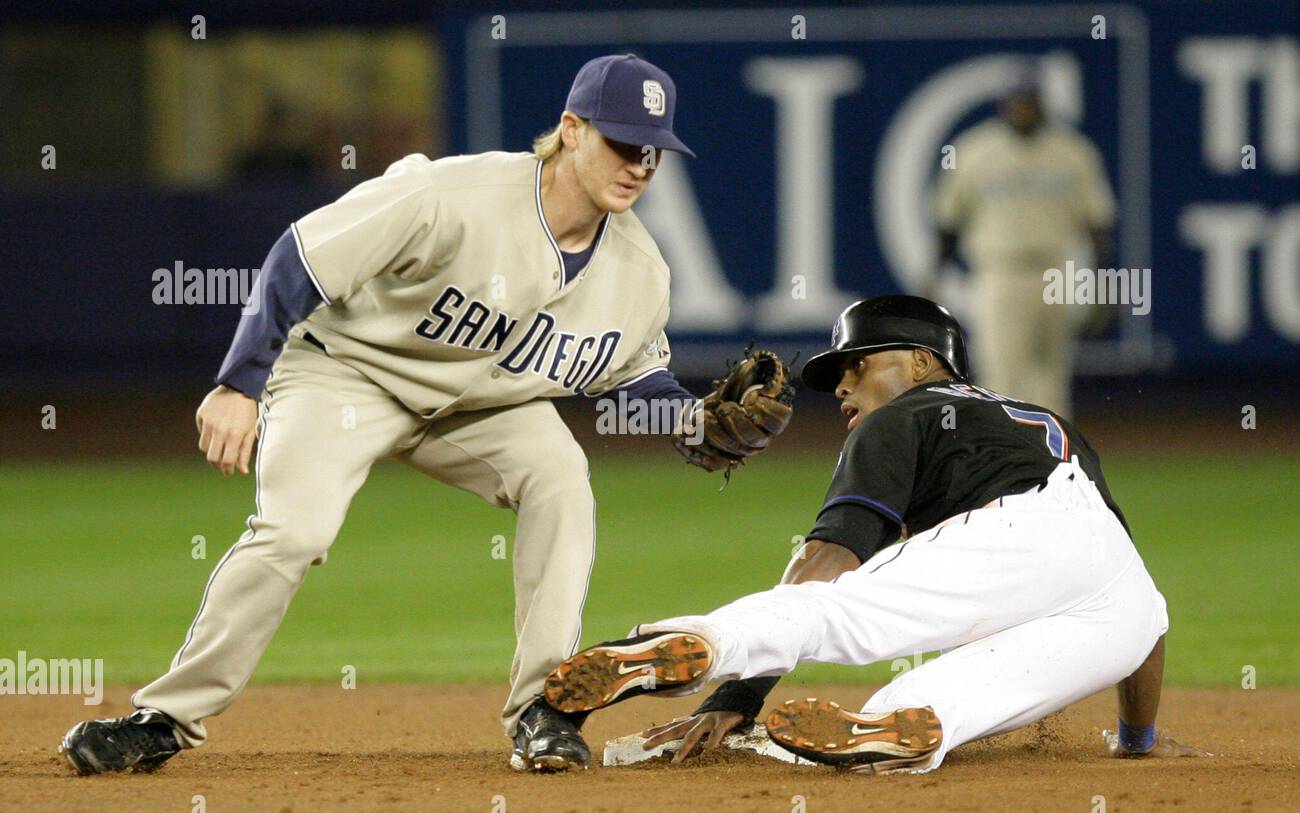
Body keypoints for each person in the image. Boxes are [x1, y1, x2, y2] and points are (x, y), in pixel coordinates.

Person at [60, 54, 746, 776]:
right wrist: (239, 384)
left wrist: (693, 423)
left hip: (480, 405)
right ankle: (164, 719)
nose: (639, 164)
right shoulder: (452, 193)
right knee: (295, 531)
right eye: (622, 142)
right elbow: (301, 258)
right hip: (345, 373)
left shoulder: (641, 269)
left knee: (562, 481)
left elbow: (638, 379)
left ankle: (545, 710)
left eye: (653, 151)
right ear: (571, 130)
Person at [542, 295, 1207, 773]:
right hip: (1113, 581)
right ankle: (903, 726)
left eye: (858, 365)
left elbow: (826, 562)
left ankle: (702, 644)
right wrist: (1137, 737)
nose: (844, 386)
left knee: (835, 613)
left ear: (922, 363)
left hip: (1010, 531)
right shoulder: (1041, 420)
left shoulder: (906, 414)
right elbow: (1141, 611)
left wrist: (738, 694)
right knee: (968, 689)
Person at [931, 68, 1116, 417]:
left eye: (1031, 102)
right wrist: (935, 277)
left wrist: (1103, 284)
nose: (1025, 109)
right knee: (1002, 376)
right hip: (1001, 273)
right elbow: (948, 223)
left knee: (1053, 379)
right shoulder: (975, 150)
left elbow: (1097, 223)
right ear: (1004, 105)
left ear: (1043, 104)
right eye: (1018, 102)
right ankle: (1007, 462)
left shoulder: (1072, 152)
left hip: (1055, 269)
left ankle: (1054, 464)